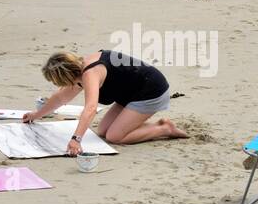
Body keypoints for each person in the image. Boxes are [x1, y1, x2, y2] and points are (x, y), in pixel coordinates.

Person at [23, 50, 188, 155]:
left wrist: (76, 139)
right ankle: (134, 122)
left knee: (115, 136)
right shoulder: (78, 72)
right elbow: (60, 98)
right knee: (102, 131)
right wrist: (36, 115)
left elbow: (90, 108)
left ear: (65, 77)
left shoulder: (90, 73)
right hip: (130, 93)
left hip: (151, 90)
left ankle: (163, 128)